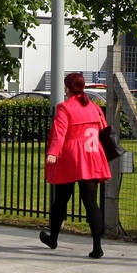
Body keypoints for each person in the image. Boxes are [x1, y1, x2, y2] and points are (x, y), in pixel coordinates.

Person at [41, 72, 111, 258]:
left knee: (61, 200)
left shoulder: (64, 108)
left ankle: (53, 239)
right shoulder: (94, 107)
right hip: (93, 155)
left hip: (71, 158)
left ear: (68, 88)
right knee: (90, 203)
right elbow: (104, 131)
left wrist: (53, 153)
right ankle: (97, 247)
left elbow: (59, 133)